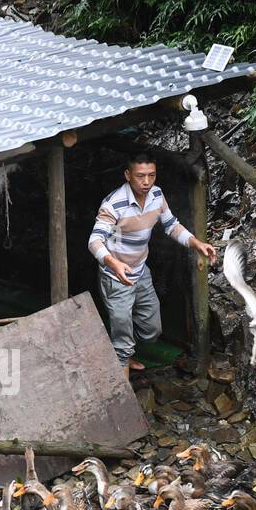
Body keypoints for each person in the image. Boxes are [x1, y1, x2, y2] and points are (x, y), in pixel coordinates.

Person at [88, 152, 217, 379]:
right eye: (140, 176)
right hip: (114, 276)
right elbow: (94, 241)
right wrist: (113, 263)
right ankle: (122, 369)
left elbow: (171, 225)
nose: (146, 182)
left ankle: (122, 350)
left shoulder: (156, 195)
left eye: (151, 175)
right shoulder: (113, 204)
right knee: (122, 337)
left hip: (140, 272)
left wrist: (197, 243)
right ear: (128, 175)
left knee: (152, 329)